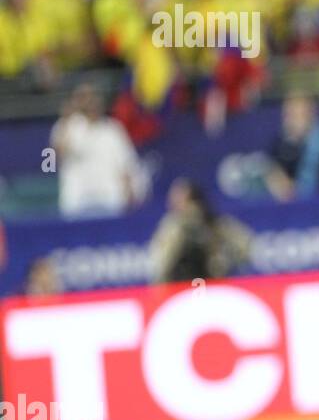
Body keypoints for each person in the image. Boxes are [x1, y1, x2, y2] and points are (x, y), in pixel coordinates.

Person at [49, 82, 147, 217]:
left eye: (93, 97)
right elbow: (50, 163)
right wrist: (66, 120)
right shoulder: (65, 127)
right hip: (77, 201)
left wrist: (130, 191)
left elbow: (127, 164)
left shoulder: (113, 129)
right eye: (83, 97)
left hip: (109, 199)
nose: (90, 102)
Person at [147, 178, 253, 285]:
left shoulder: (215, 223)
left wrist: (224, 261)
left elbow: (245, 246)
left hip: (212, 285)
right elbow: (161, 262)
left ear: (193, 199)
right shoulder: (173, 226)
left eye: (179, 198)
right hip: (180, 287)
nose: (172, 202)